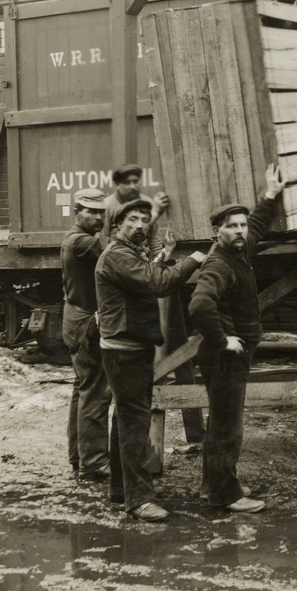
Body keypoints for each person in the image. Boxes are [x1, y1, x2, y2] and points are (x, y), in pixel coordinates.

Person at [95, 196, 206, 522]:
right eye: (133, 220)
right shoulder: (116, 254)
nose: (141, 225)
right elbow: (155, 282)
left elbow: (145, 272)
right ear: (118, 224)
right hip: (124, 351)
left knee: (126, 419)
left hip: (129, 347)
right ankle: (139, 500)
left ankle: (120, 489)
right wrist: (193, 260)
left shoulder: (126, 252)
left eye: (145, 219)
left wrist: (166, 255)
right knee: (135, 423)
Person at [188, 164, 286, 514]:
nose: (241, 230)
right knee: (228, 428)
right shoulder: (220, 264)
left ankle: (210, 488)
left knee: (220, 422)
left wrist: (269, 196)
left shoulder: (238, 250)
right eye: (232, 226)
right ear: (217, 232)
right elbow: (200, 305)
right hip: (226, 356)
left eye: (242, 225)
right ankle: (226, 496)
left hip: (227, 354)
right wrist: (222, 340)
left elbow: (258, 226)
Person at [61, 188, 111, 479]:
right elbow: (119, 250)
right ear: (77, 211)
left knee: (83, 390)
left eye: (102, 212)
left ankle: (79, 458)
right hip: (85, 324)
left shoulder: (74, 238)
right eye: (91, 211)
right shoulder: (82, 242)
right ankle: (93, 462)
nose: (98, 217)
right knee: (96, 391)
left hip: (75, 319)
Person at [102, 163, 170, 246]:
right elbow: (103, 241)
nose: (133, 187)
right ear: (117, 184)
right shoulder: (107, 205)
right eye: (127, 182)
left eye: (135, 181)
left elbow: (154, 239)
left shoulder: (148, 202)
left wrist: (159, 258)